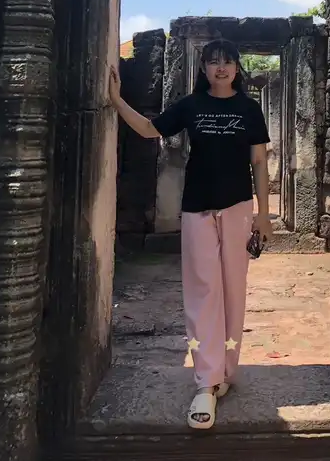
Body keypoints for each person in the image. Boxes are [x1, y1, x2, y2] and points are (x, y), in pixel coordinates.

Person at [108, 38, 273, 429]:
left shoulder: (249, 109)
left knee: (233, 290)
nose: (221, 68)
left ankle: (226, 371)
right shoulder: (191, 105)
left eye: (228, 61)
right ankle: (205, 380)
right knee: (202, 291)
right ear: (203, 68)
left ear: (237, 68)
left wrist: (264, 215)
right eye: (213, 62)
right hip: (197, 208)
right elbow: (149, 129)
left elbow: (259, 161)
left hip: (237, 207)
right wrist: (116, 100)